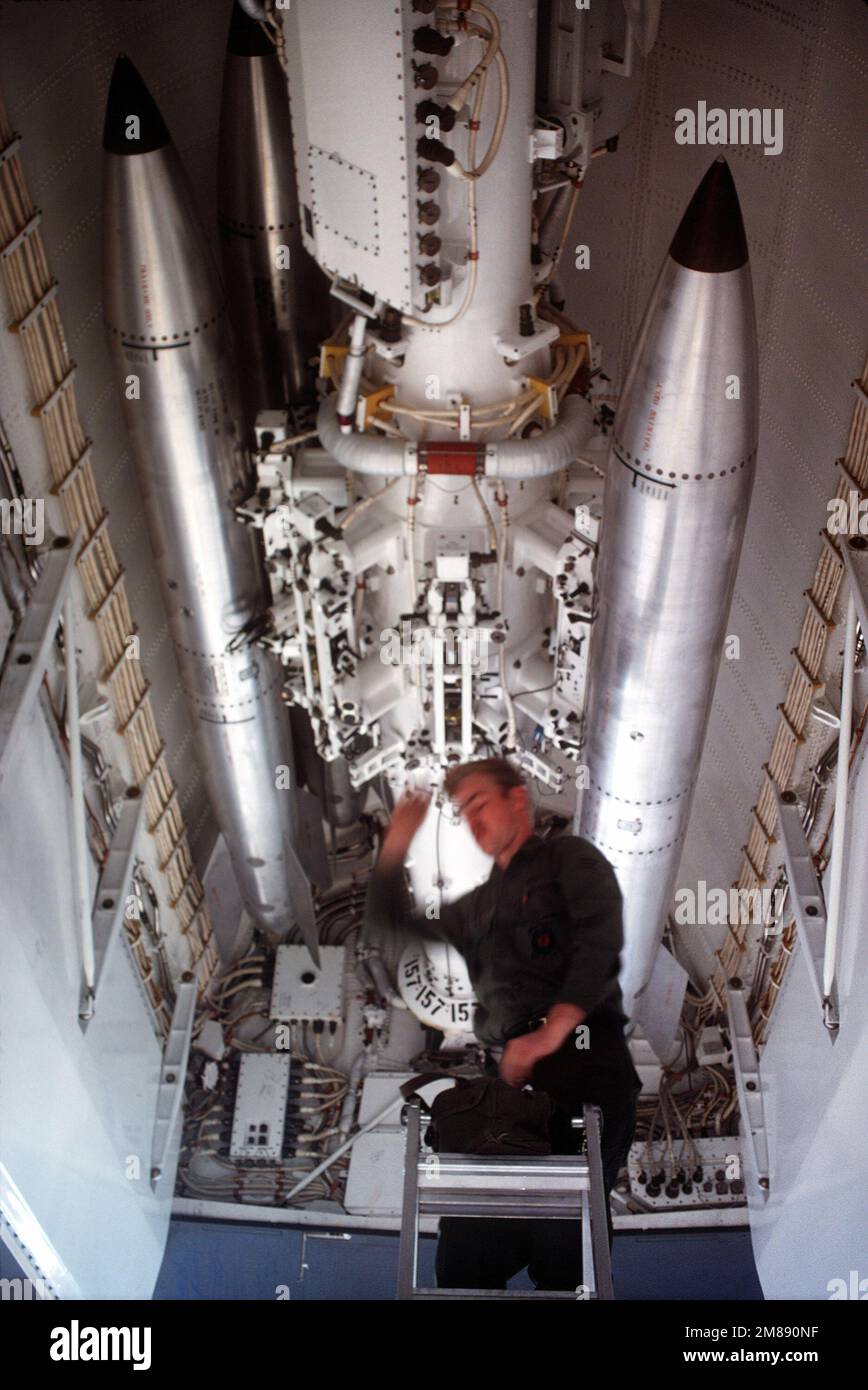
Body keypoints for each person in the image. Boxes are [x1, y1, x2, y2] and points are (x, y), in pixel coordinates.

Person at [361, 756, 643, 1293]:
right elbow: (394, 919)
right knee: (464, 1263)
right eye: (463, 812)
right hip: (514, 1096)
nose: (471, 821)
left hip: (586, 1071)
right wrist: (395, 845)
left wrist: (548, 1034)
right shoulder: (477, 908)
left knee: (567, 1262)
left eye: (479, 804)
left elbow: (599, 942)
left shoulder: (569, 860)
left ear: (518, 800)